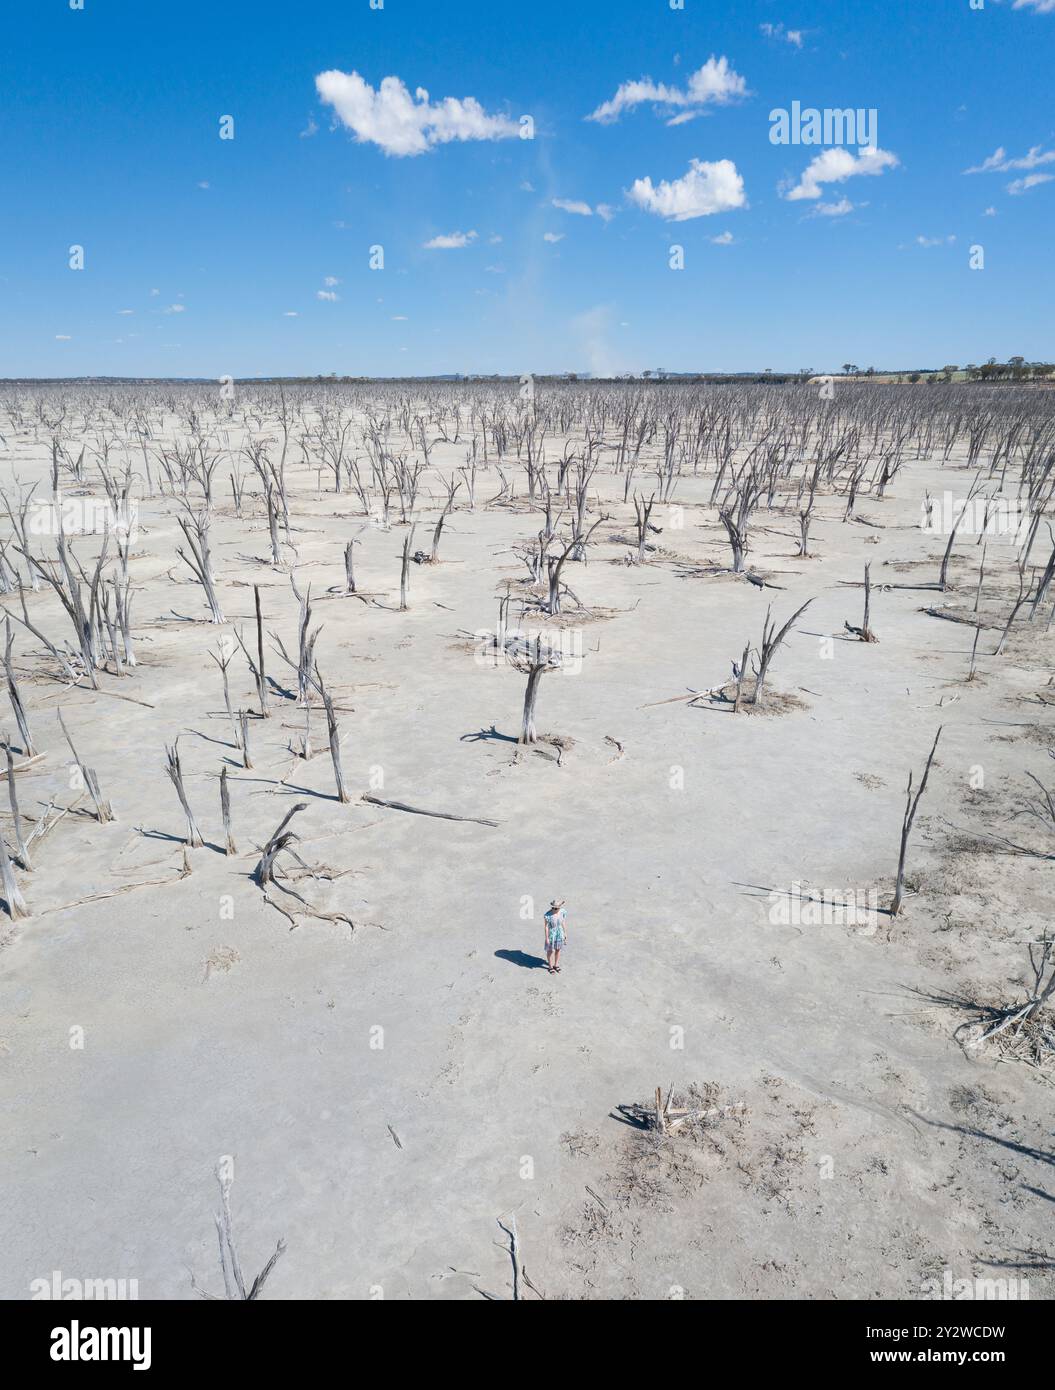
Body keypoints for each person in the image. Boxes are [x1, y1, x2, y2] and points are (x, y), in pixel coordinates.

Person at [544, 898, 567, 974]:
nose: (554, 909)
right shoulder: (548, 915)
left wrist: (565, 933)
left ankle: (556, 965)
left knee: (558, 949)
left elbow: (563, 922)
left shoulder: (562, 912)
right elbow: (546, 927)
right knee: (550, 951)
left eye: (556, 908)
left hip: (559, 933)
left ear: (559, 907)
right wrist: (547, 938)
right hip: (551, 934)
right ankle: (550, 966)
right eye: (553, 907)